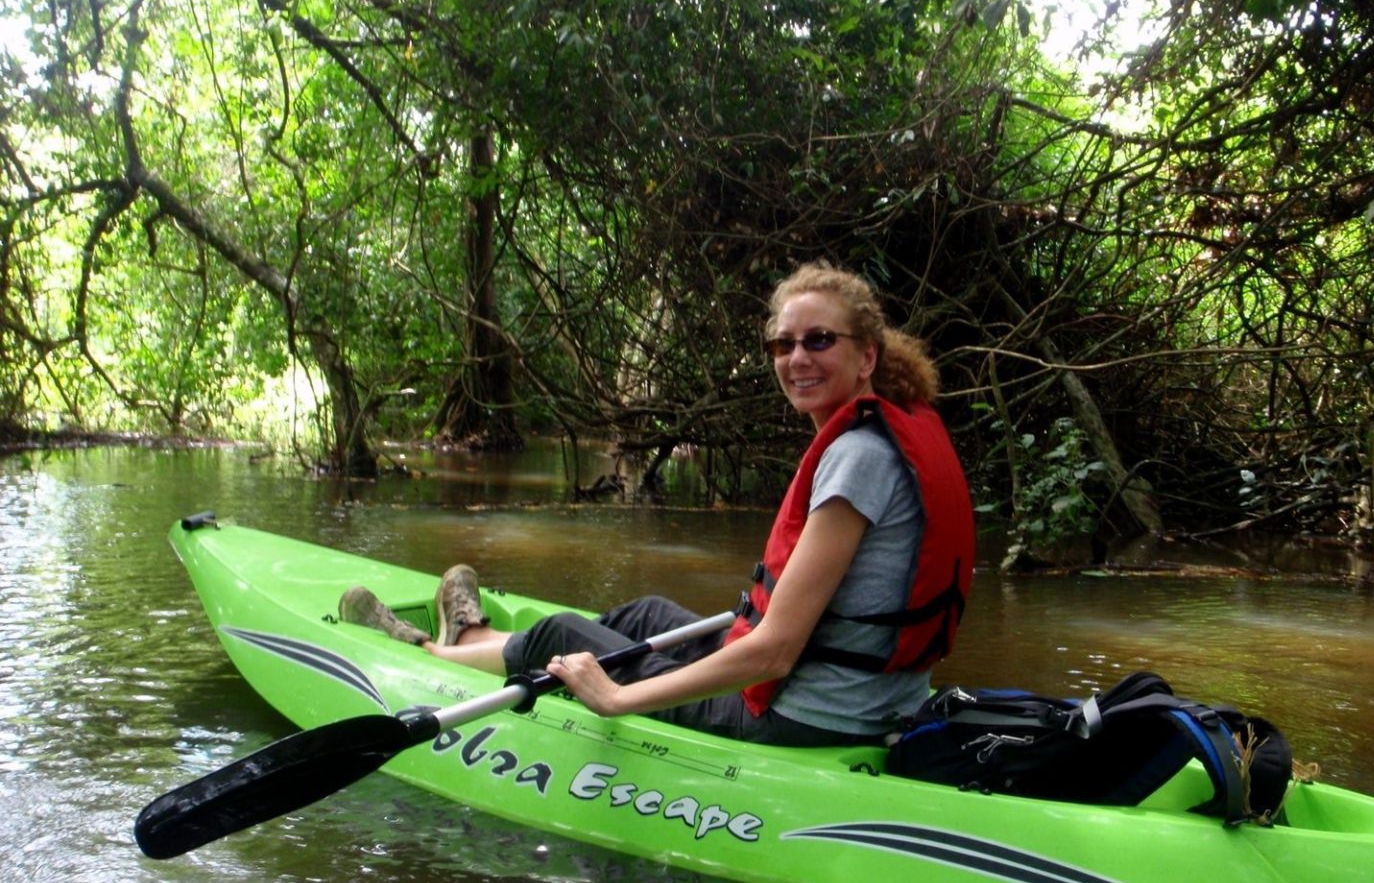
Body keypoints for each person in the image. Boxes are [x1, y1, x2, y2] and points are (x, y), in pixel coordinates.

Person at [340, 261, 976, 745]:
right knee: (647, 616)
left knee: (566, 633)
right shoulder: (888, 430)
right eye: (783, 344)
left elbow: (775, 652)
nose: (796, 358)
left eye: (818, 341)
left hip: (809, 716)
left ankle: (426, 652)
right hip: (864, 695)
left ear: (867, 356)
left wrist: (614, 697)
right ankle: (473, 635)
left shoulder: (859, 457)